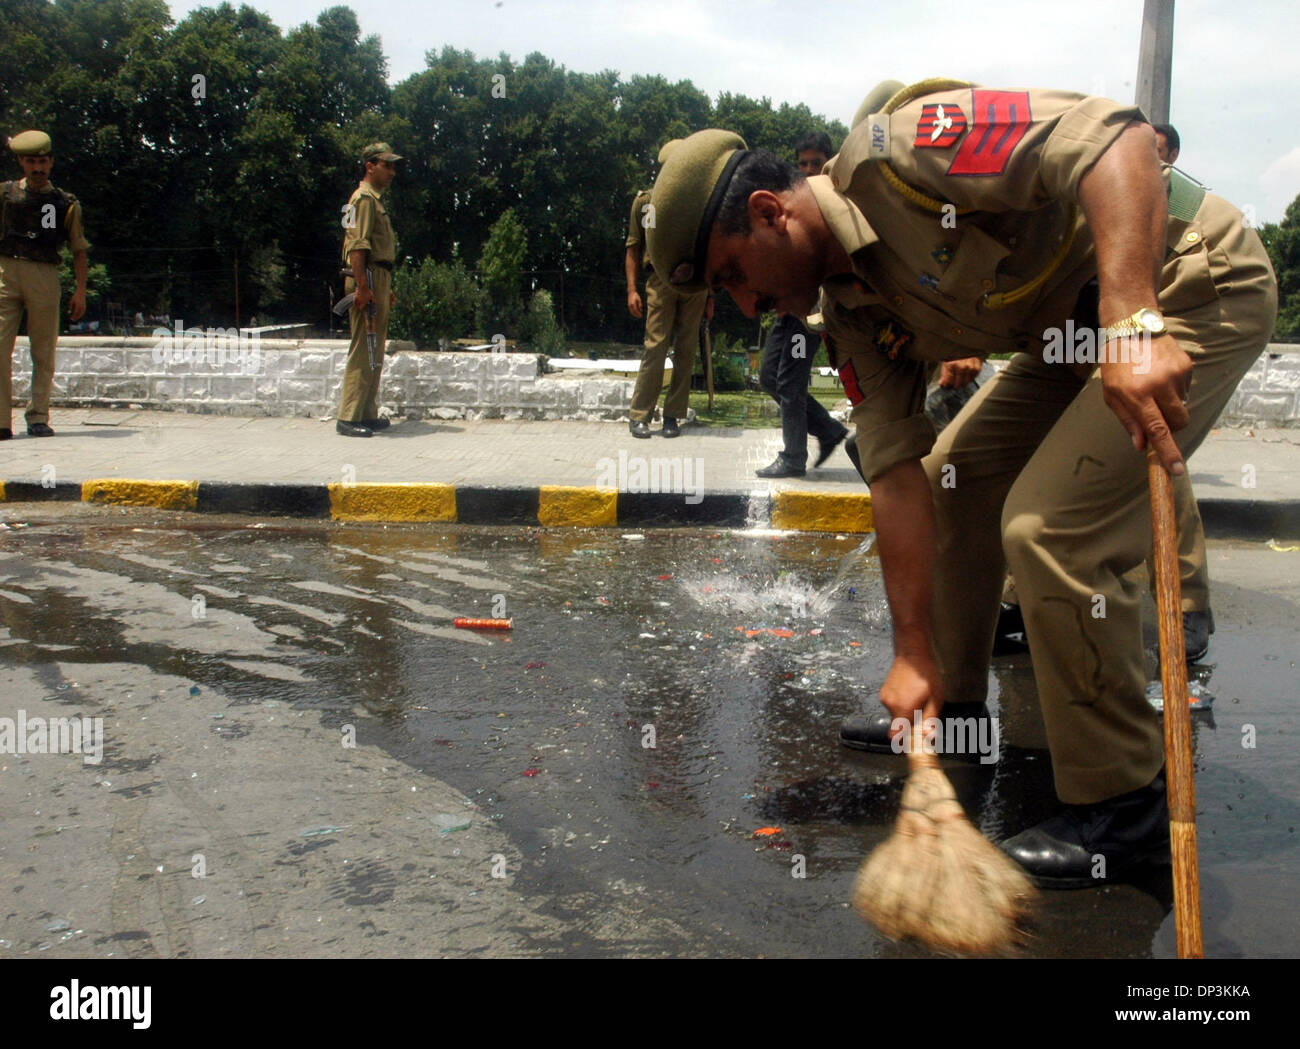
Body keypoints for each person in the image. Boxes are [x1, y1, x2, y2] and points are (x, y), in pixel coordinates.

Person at [645, 81, 1276, 887]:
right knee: (951, 480)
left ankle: (1126, 809)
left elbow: (1115, 139)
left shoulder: (906, 151)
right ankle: (954, 713)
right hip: (1069, 339)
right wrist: (913, 658)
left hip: (1185, 283)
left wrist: (1132, 317)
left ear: (770, 211)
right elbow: (896, 477)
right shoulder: (850, 314)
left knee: (1046, 527)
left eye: (733, 276)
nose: (744, 304)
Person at [754, 131, 851, 478]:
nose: (809, 169)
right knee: (768, 376)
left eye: (815, 162)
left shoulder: (836, 201)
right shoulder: (792, 201)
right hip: (787, 305)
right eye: (803, 163)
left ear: (828, 159)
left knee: (790, 381)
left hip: (810, 310)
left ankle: (793, 457)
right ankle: (827, 429)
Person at [0, 130, 88, 439]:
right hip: (5, 272)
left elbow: (78, 249)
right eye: (31, 162)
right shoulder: (5, 195)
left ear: (51, 163)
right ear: (21, 162)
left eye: (42, 162)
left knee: (43, 350)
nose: (37, 169)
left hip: (44, 274)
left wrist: (80, 290)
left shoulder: (63, 203)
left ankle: (38, 415)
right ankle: (1, 421)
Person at [625, 140, 712, 438]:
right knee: (656, 346)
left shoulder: (698, 202)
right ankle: (640, 415)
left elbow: (710, 248)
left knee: (687, 350)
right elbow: (633, 248)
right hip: (659, 280)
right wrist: (631, 290)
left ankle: (673, 416)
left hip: (694, 282)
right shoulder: (646, 203)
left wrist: (710, 293)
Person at [336, 142, 401, 438]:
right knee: (364, 347)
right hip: (367, 275)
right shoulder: (363, 199)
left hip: (378, 275)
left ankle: (366, 413)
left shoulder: (374, 200)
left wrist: (384, 286)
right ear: (370, 165)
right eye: (386, 165)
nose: (392, 171)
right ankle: (348, 417)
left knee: (375, 349)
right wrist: (362, 285)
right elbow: (357, 245)